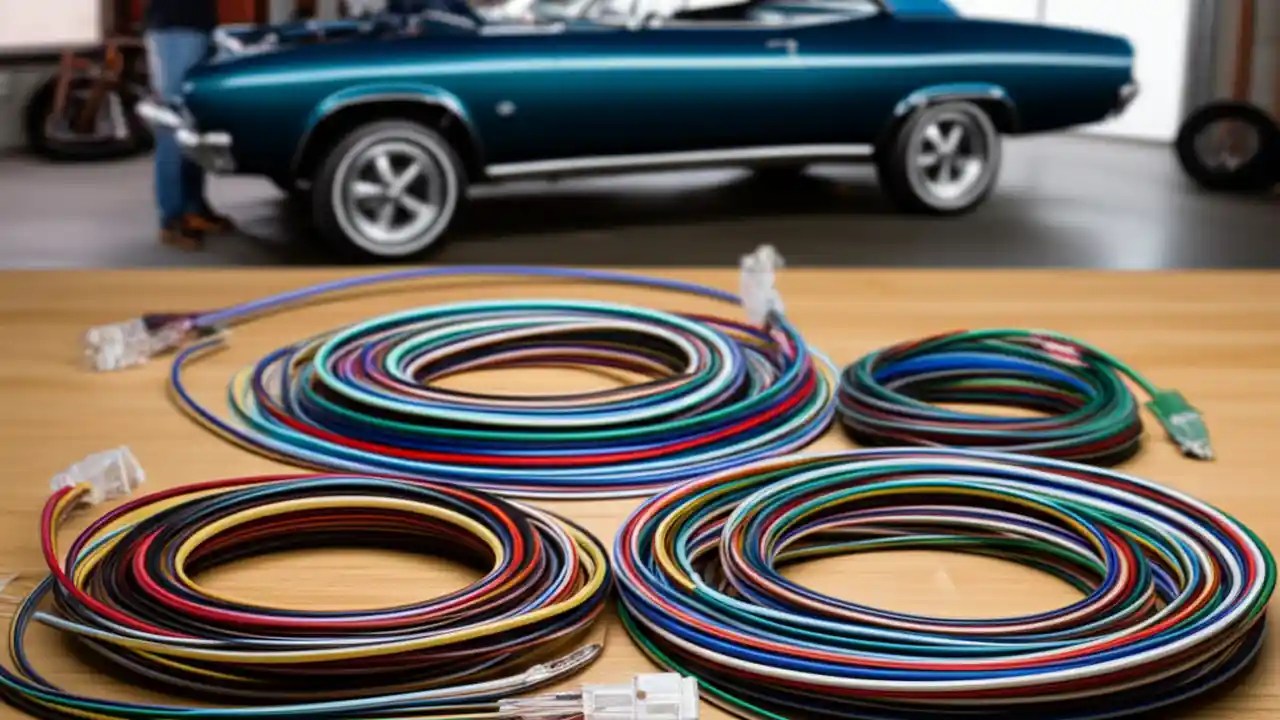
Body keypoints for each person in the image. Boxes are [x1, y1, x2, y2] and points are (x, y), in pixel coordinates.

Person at [145, 0, 235, 250]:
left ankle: (193, 208)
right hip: (173, 28)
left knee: (195, 122)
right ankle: (171, 218)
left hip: (199, 24)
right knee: (173, 121)